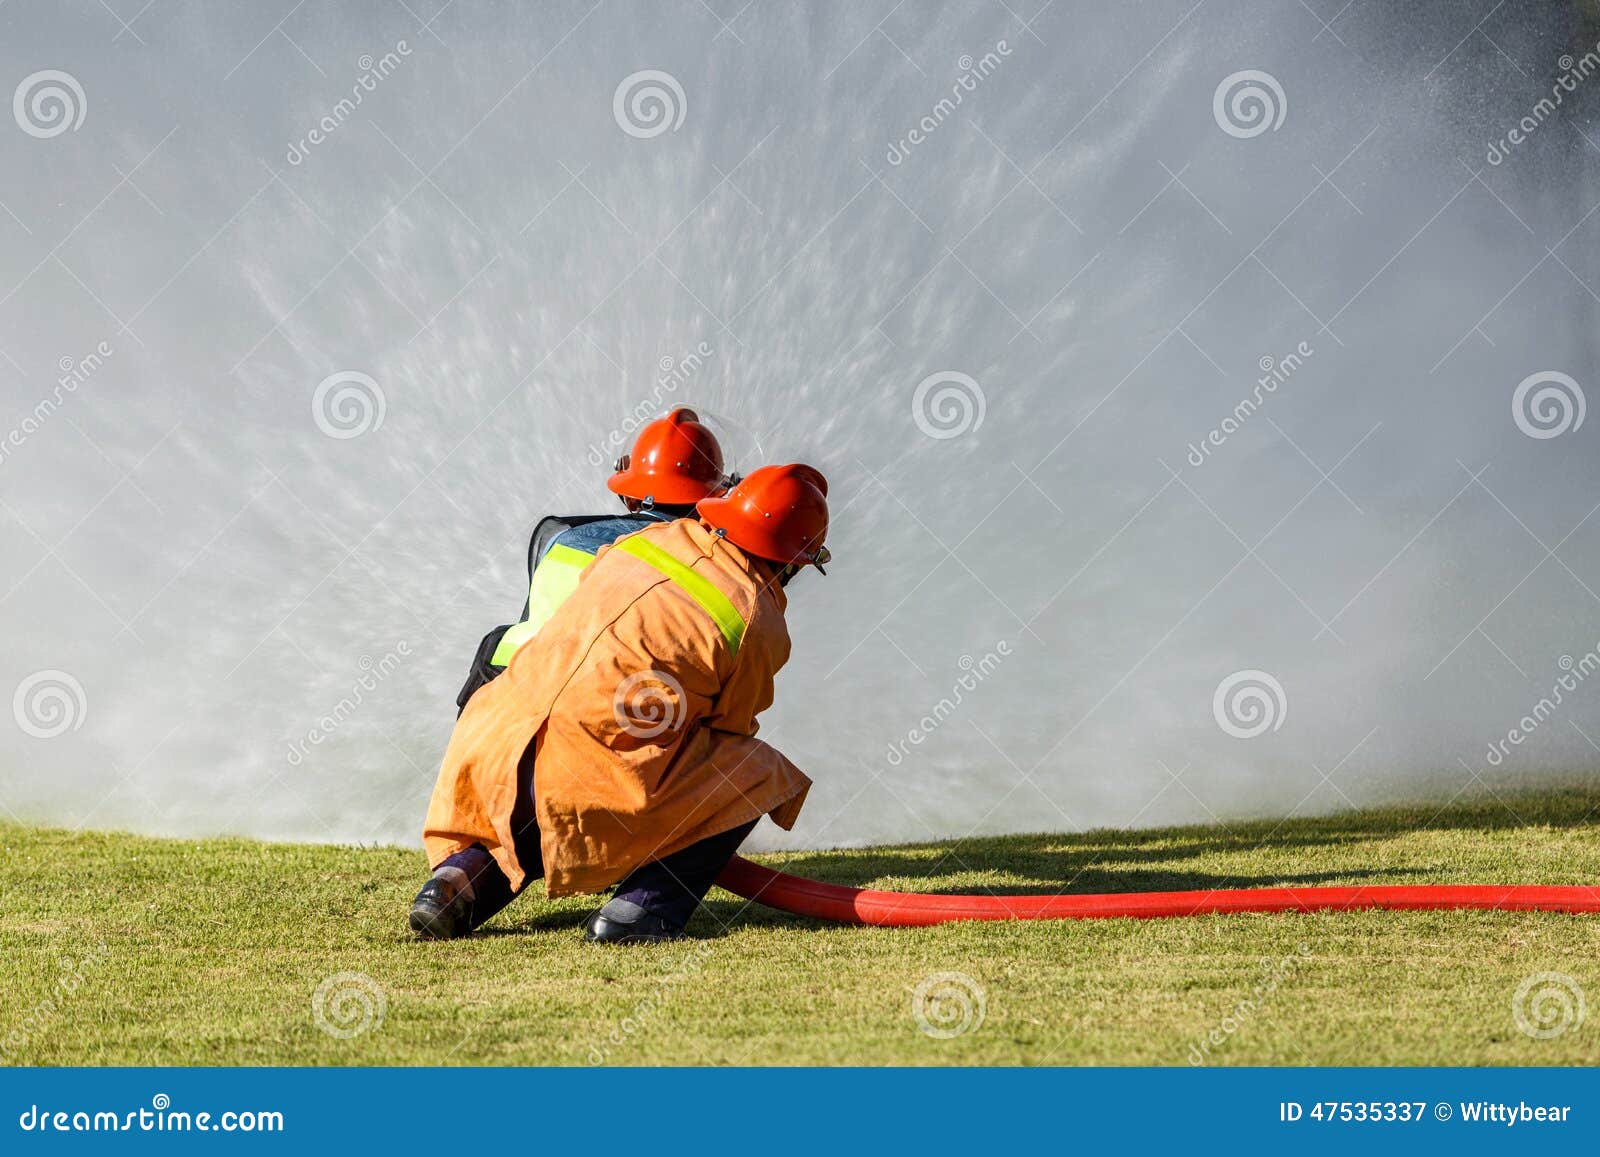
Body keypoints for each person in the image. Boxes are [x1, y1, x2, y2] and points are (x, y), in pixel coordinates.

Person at [412, 463, 832, 944]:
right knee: (755, 771)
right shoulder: (757, 618)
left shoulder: (647, 540)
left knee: (526, 809)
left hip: (488, 746)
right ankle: (639, 912)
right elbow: (726, 731)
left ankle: (450, 887)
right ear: (794, 561)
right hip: (577, 778)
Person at [454, 407, 728, 713]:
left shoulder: (564, 537)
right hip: (581, 716)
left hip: (494, 693)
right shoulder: (699, 565)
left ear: (630, 494)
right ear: (708, 503)